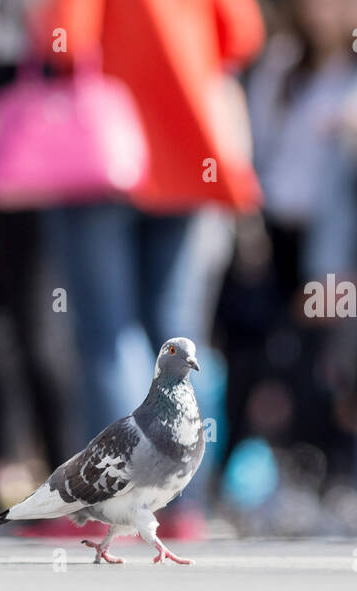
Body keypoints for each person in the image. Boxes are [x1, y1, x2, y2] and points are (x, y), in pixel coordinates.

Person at [35, 0, 265, 539]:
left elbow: (64, 34)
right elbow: (243, 34)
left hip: (105, 149)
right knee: (180, 337)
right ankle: (183, 506)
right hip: (188, 146)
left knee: (108, 335)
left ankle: (124, 504)